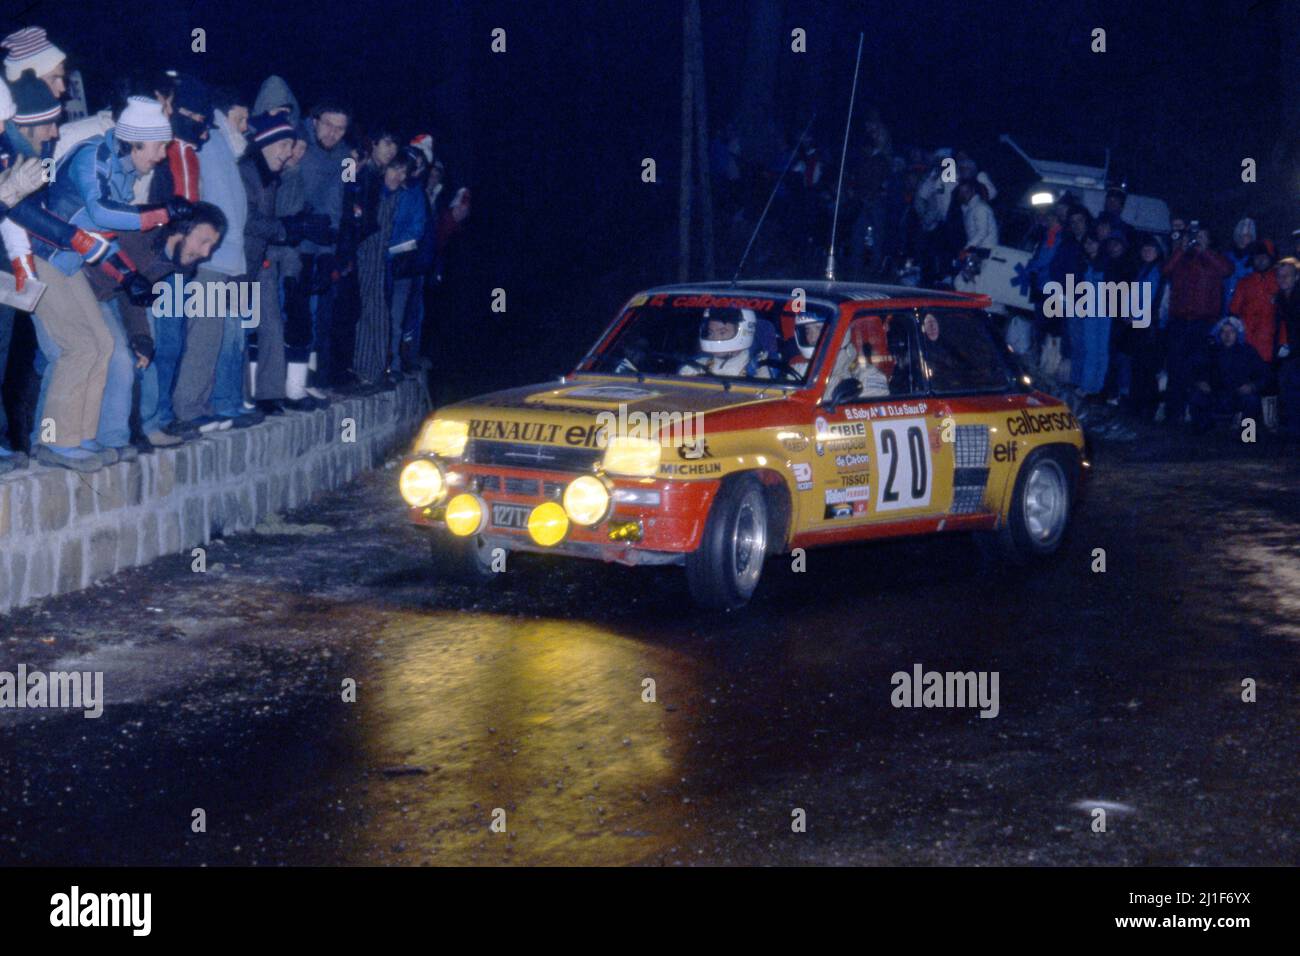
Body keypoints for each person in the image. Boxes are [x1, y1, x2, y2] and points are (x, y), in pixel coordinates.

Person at [85, 202, 229, 448]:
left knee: (147, 352)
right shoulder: (140, 239)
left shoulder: (172, 259)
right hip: (88, 288)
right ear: (183, 229)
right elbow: (118, 279)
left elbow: (133, 294)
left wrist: (141, 337)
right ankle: (113, 440)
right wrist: (135, 333)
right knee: (118, 357)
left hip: (114, 296)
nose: (206, 253)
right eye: (203, 241)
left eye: (211, 246)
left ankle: (146, 428)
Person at [173, 85, 250, 433]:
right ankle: (189, 408)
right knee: (203, 334)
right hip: (207, 257)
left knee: (215, 335)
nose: (246, 126)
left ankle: (202, 405)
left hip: (223, 255)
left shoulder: (219, 139)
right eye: (241, 117)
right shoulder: (206, 136)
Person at [1162, 224, 1231, 426]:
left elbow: (1226, 270)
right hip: (1180, 322)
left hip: (1204, 323)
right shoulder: (1181, 258)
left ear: (1209, 239)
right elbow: (1165, 270)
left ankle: (1197, 415)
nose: (1196, 240)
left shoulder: (1215, 259)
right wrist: (1181, 248)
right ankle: (1173, 414)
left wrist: (1205, 251)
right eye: (1194, 236)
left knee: (1199, 370)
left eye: (1202, 236)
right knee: (1176, 369)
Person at [1189, 317, 1267, 433]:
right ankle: (1203, 430)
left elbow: (1265, 375)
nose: (1227, 335)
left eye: (1231, 332)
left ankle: (1248, 435)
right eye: (1224, 332)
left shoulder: (1248, 352)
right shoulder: (1210, 351)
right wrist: (1200, 382)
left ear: (1238, 334)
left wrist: (1252, 386)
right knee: (1197, 397)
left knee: (1252, 401)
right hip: (1215, 394)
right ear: (1218, 334)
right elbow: (1194, 370)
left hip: (1238, 395)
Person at [679, 308, 770, 378]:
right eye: (711, 332)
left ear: (744, 332)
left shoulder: (760, 369)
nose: (714, 338)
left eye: (722, 332)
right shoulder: (694, 368)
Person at [1227, 240, 1279, 363]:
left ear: (1271, 259)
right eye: (1257, 257)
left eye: (1264, 257)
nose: (1260, 260)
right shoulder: (1244, 283)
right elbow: (1233, 311)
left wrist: (1283, 341)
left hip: (1271, 342)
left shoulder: (1279, 281)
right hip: (1247, 341)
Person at [1274, 258, 1300, 441]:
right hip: (1292, 350)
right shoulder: (1281, 298)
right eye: (1280, 276)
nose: (1283, 279)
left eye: (1287, 276)